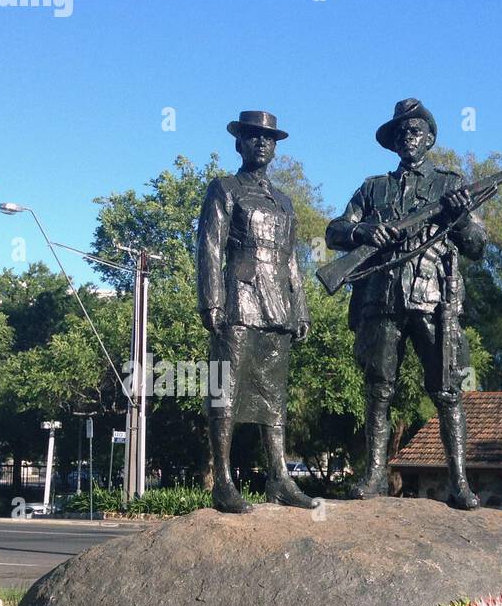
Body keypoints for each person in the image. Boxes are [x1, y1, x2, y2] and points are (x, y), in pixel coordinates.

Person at [325, 98, 486, 507]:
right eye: (401, 133)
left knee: (447, 391)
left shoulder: (451, 186)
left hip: (435, 301)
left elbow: (478, 246)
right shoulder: (373, 188)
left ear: (429, 139)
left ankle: (459, 483)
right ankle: (374, 474)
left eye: (415, 131)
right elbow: (335, 230)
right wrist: (364, 232)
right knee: (378, 389)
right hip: (382, 299)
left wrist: (462, 217)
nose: (407, 138)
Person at [196, 110, 313, 513]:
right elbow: (211, 246)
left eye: (268, 138)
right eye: (252, 137)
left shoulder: (283, 200)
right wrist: (210, 300)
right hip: (239, 299)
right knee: (224, 388)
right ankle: (223, 480)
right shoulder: (224, 188)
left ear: (275, 147)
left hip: (277, 303)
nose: (261, 143)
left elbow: (292, 259)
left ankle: (279, 477)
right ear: (239, 143)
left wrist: (301, 307)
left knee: (273, 395)